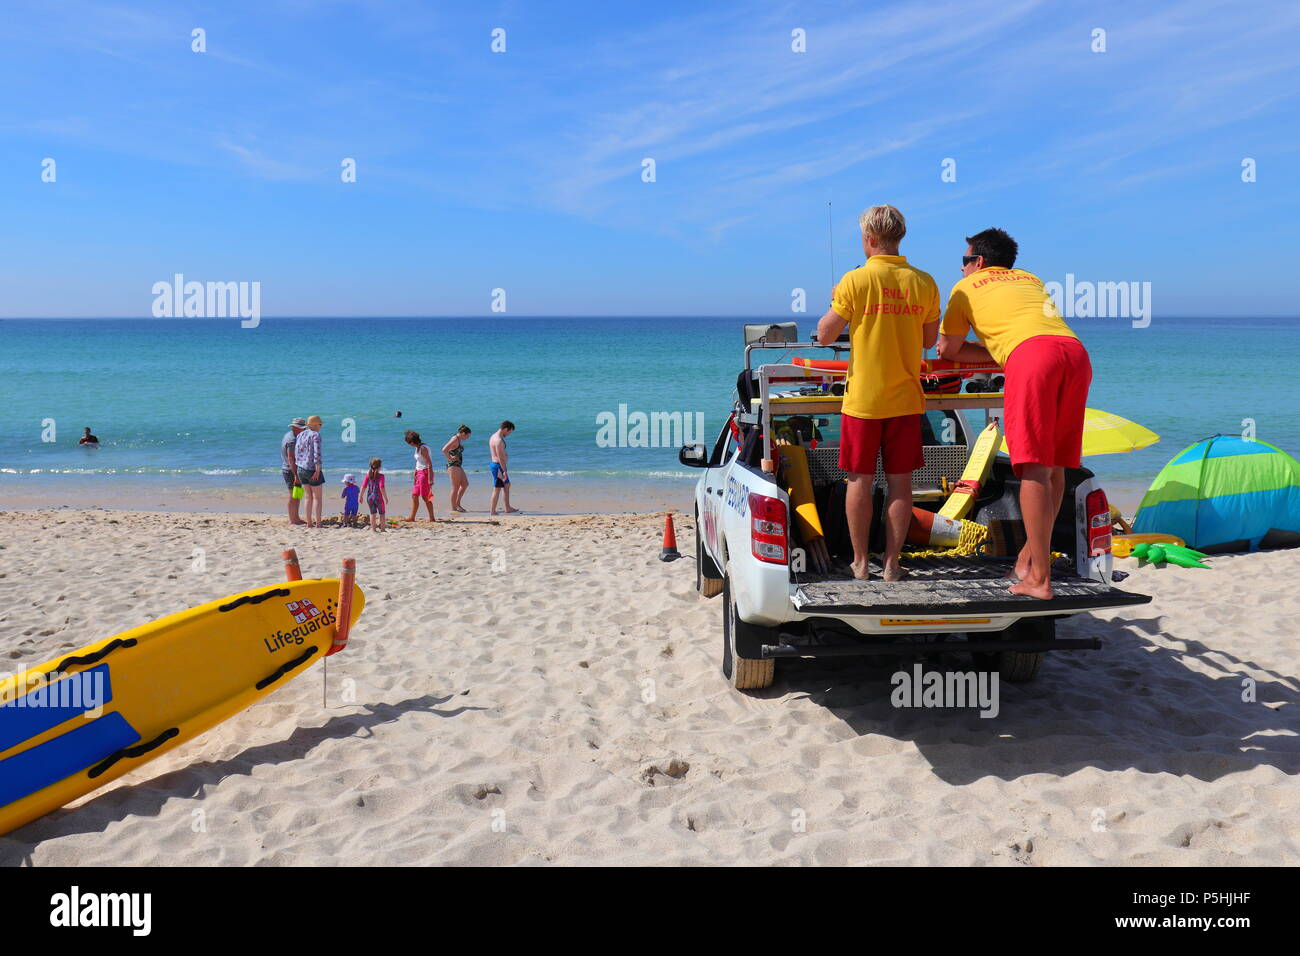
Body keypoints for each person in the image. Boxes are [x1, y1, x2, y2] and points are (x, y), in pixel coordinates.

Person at [937, 227, 1091, 600]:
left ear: (980, 262)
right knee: (1054, 468)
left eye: (964, 261)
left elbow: (947, 351)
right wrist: (1005, 352)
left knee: (1033, 468)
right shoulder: (1031, 279)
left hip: (1033, 359)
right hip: (1074, 353)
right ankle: (1027, 560)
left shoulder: (965, 289)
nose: (960, 270)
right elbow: (1028, 330)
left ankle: (1040, 580)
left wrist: (1004, 354)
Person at [814, 205, 940, 581]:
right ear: (899, 237)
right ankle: (892, 564)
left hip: (864, 400)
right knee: (901, 484)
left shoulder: (856, 280)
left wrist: (837, 300)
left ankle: (859, 562)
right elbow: (929, 341)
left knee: (860, 481)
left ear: (869, 239)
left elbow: (824, 335)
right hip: (905, 400)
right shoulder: (924, 282)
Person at [294, 415, 325, 528]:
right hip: (312, 469)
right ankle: (318, 523)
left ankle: (309, 523)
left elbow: (297, 451)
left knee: (308, 497)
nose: (321, 426)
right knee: (317, 498)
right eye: (320, 424)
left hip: (300, 468)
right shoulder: (315, 435)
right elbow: (317, 453)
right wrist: (318, 469)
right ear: (316, 425)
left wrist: (298, 465)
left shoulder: (301, 434)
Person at [404, 430, 436, 521]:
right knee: (414, 495)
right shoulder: (417, 447)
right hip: (419, 473)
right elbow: (419, 461)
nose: (409, 444)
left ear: (413, 442)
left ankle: (432, 517)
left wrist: (430, 479)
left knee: (425, 497)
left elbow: (429, 463)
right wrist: (415, 472)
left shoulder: (423, 448)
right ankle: (412, 517)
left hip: (425, 473)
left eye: (409, 442)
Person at [489, 420, 519, 515]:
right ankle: (493, 510)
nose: (509, 434)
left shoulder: (493, 436)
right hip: (498, 466)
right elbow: (500, 457)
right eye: (509, 432)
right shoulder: (498, 440)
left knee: (507, 485)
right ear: (506, 429)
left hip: (497, 465)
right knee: (497, 488)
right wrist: (505, 471)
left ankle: (507, 507)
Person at [282, 418, 307, 525]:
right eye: (302, 428)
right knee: (293, 495)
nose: (304, 430)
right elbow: (291, 458)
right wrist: (296, 475)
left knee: (297, 494)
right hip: (291, 470)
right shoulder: (292, 440)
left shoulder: (290, 435)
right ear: (296, 428)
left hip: (293, 469)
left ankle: (295, 517)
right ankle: (293, 519)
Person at [442, 425, 472, 513]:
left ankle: (457, 504)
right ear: (463, 433)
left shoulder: (458, 439)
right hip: (453, 465)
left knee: (465, 484)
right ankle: (454, 508)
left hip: (458, 465)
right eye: (467, 436)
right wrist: (450, 458)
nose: (467, 438)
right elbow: (444, 449)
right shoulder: (455, 439)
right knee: (455, 487)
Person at [362, 458, 388, 532]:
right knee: (382, 514)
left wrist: (360, 496)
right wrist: (386, 498)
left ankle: (373, 529)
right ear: (380, 467)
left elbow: (363, 486)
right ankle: (383, 529)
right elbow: (382, 487)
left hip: (369, 497)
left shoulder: (368, 476)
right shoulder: (381, 476)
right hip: (378, 498)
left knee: (372, 514)